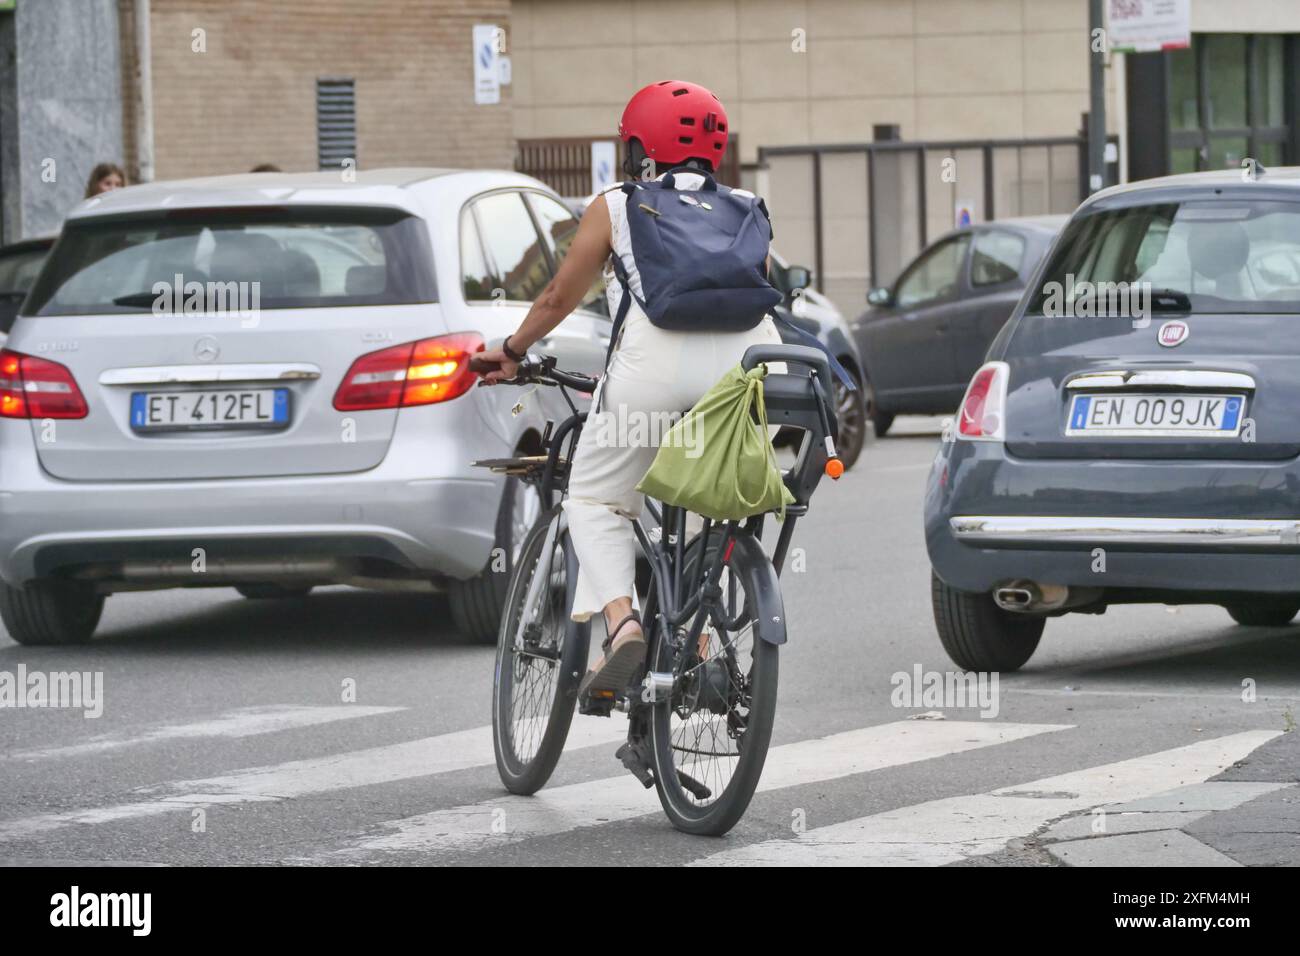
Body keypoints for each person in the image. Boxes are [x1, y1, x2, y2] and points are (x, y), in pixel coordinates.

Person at [476, 80, 782, 694]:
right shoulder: (747, 206)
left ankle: (622, 626)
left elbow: (561, 294)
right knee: (707, 505)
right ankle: (695, 639)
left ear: (641, 143)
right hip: (752, 379)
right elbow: (764, 290)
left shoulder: (617, 203)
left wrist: (512, 352)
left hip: (651, 381)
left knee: (594, 499)